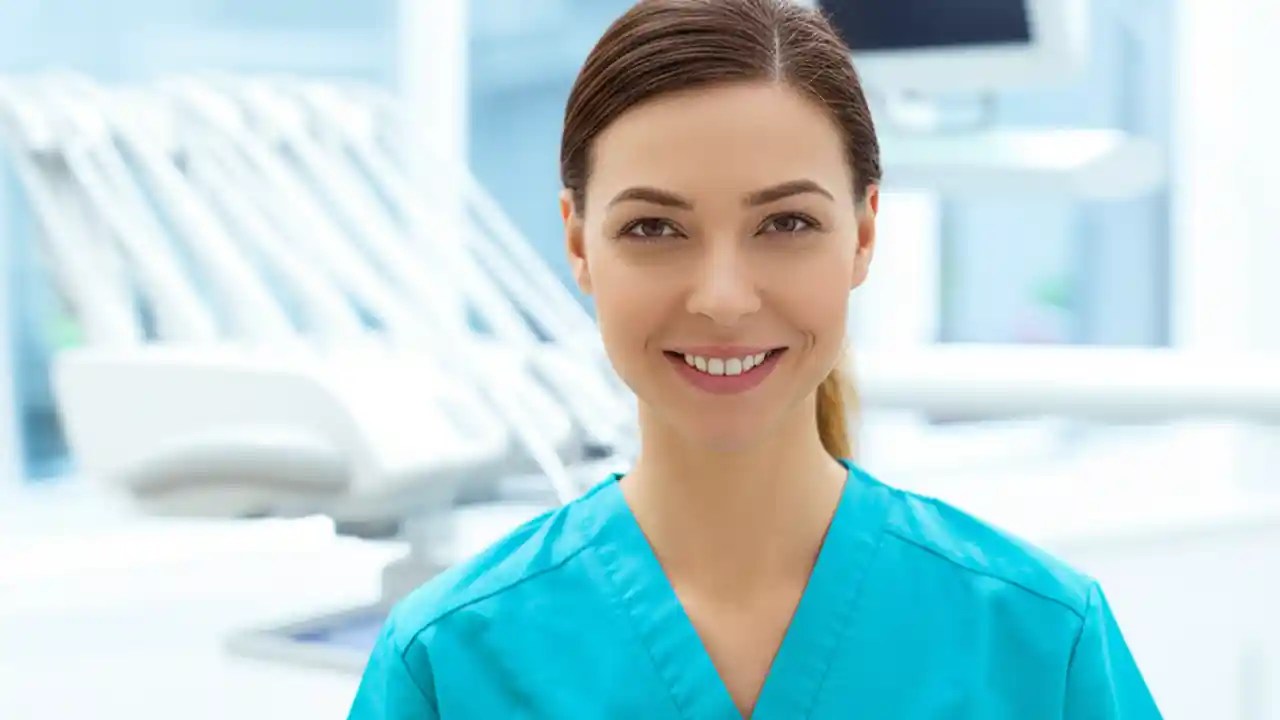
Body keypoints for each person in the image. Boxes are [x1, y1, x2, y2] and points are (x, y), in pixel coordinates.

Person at [348, 0, 1162, 717]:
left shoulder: (1038, 643)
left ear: (865, 233)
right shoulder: (448, 664)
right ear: (577, 242)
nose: (724, 299)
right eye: (654, 229)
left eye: (786, 224)